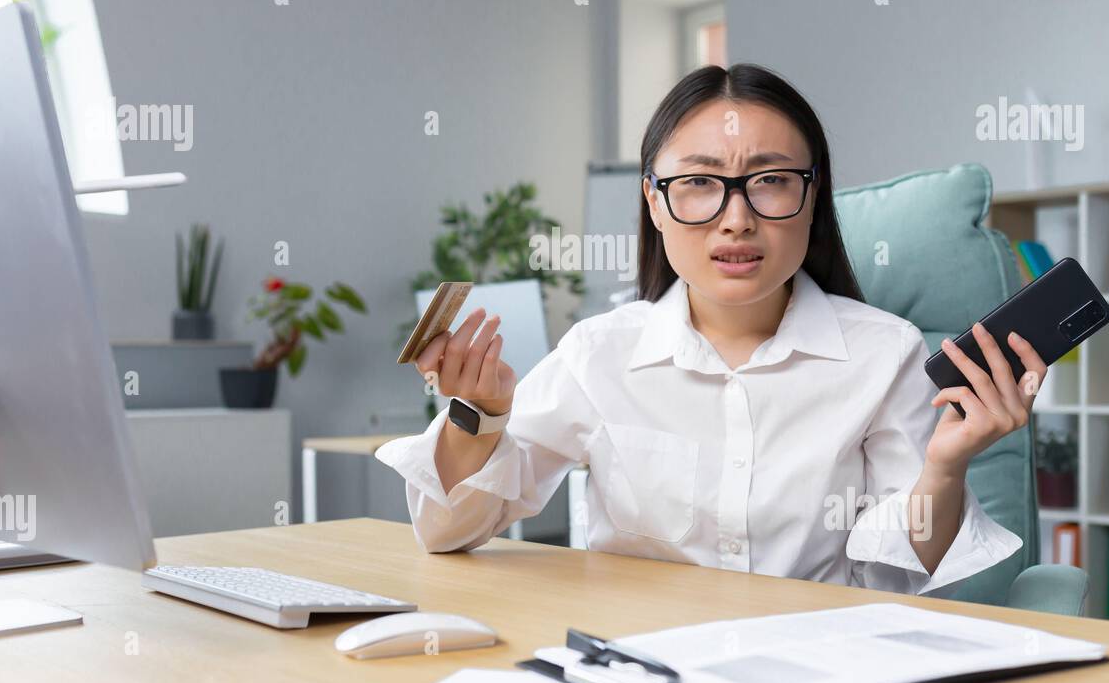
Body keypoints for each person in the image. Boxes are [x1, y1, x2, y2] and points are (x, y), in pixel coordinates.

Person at [377, 63, 1043, 595]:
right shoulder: (600, 353)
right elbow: (449, 533)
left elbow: (896, 571)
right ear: (653, 201)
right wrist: (479, 417)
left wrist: (946, 467)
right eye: (698, 182)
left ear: (812, 196)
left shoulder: (883, 353)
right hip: (635, 663)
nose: (735, 220)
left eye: (772, 181)